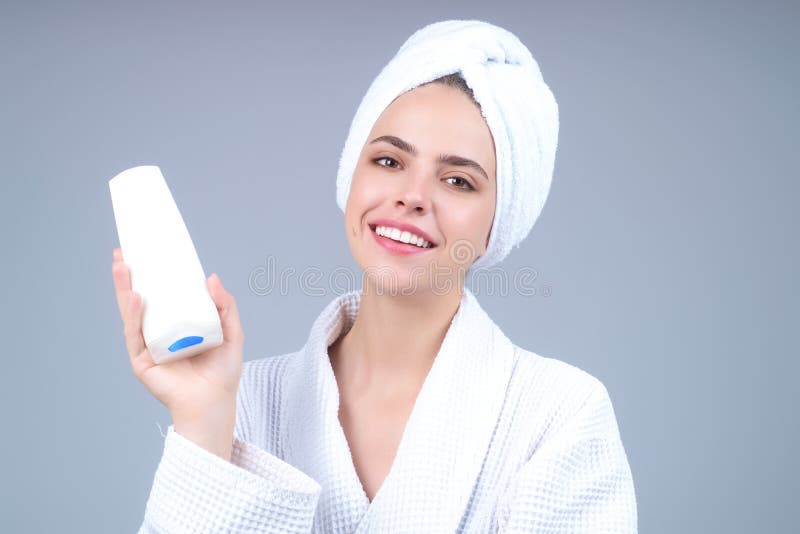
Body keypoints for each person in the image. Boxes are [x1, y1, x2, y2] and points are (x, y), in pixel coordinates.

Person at [112, 19, 637, 533]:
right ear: (351, 175)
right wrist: (203, 425)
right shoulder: (241, 401)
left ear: (498, 226)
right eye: (388, 161)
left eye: (457, 180)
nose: (411, 195)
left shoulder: (557, 418)